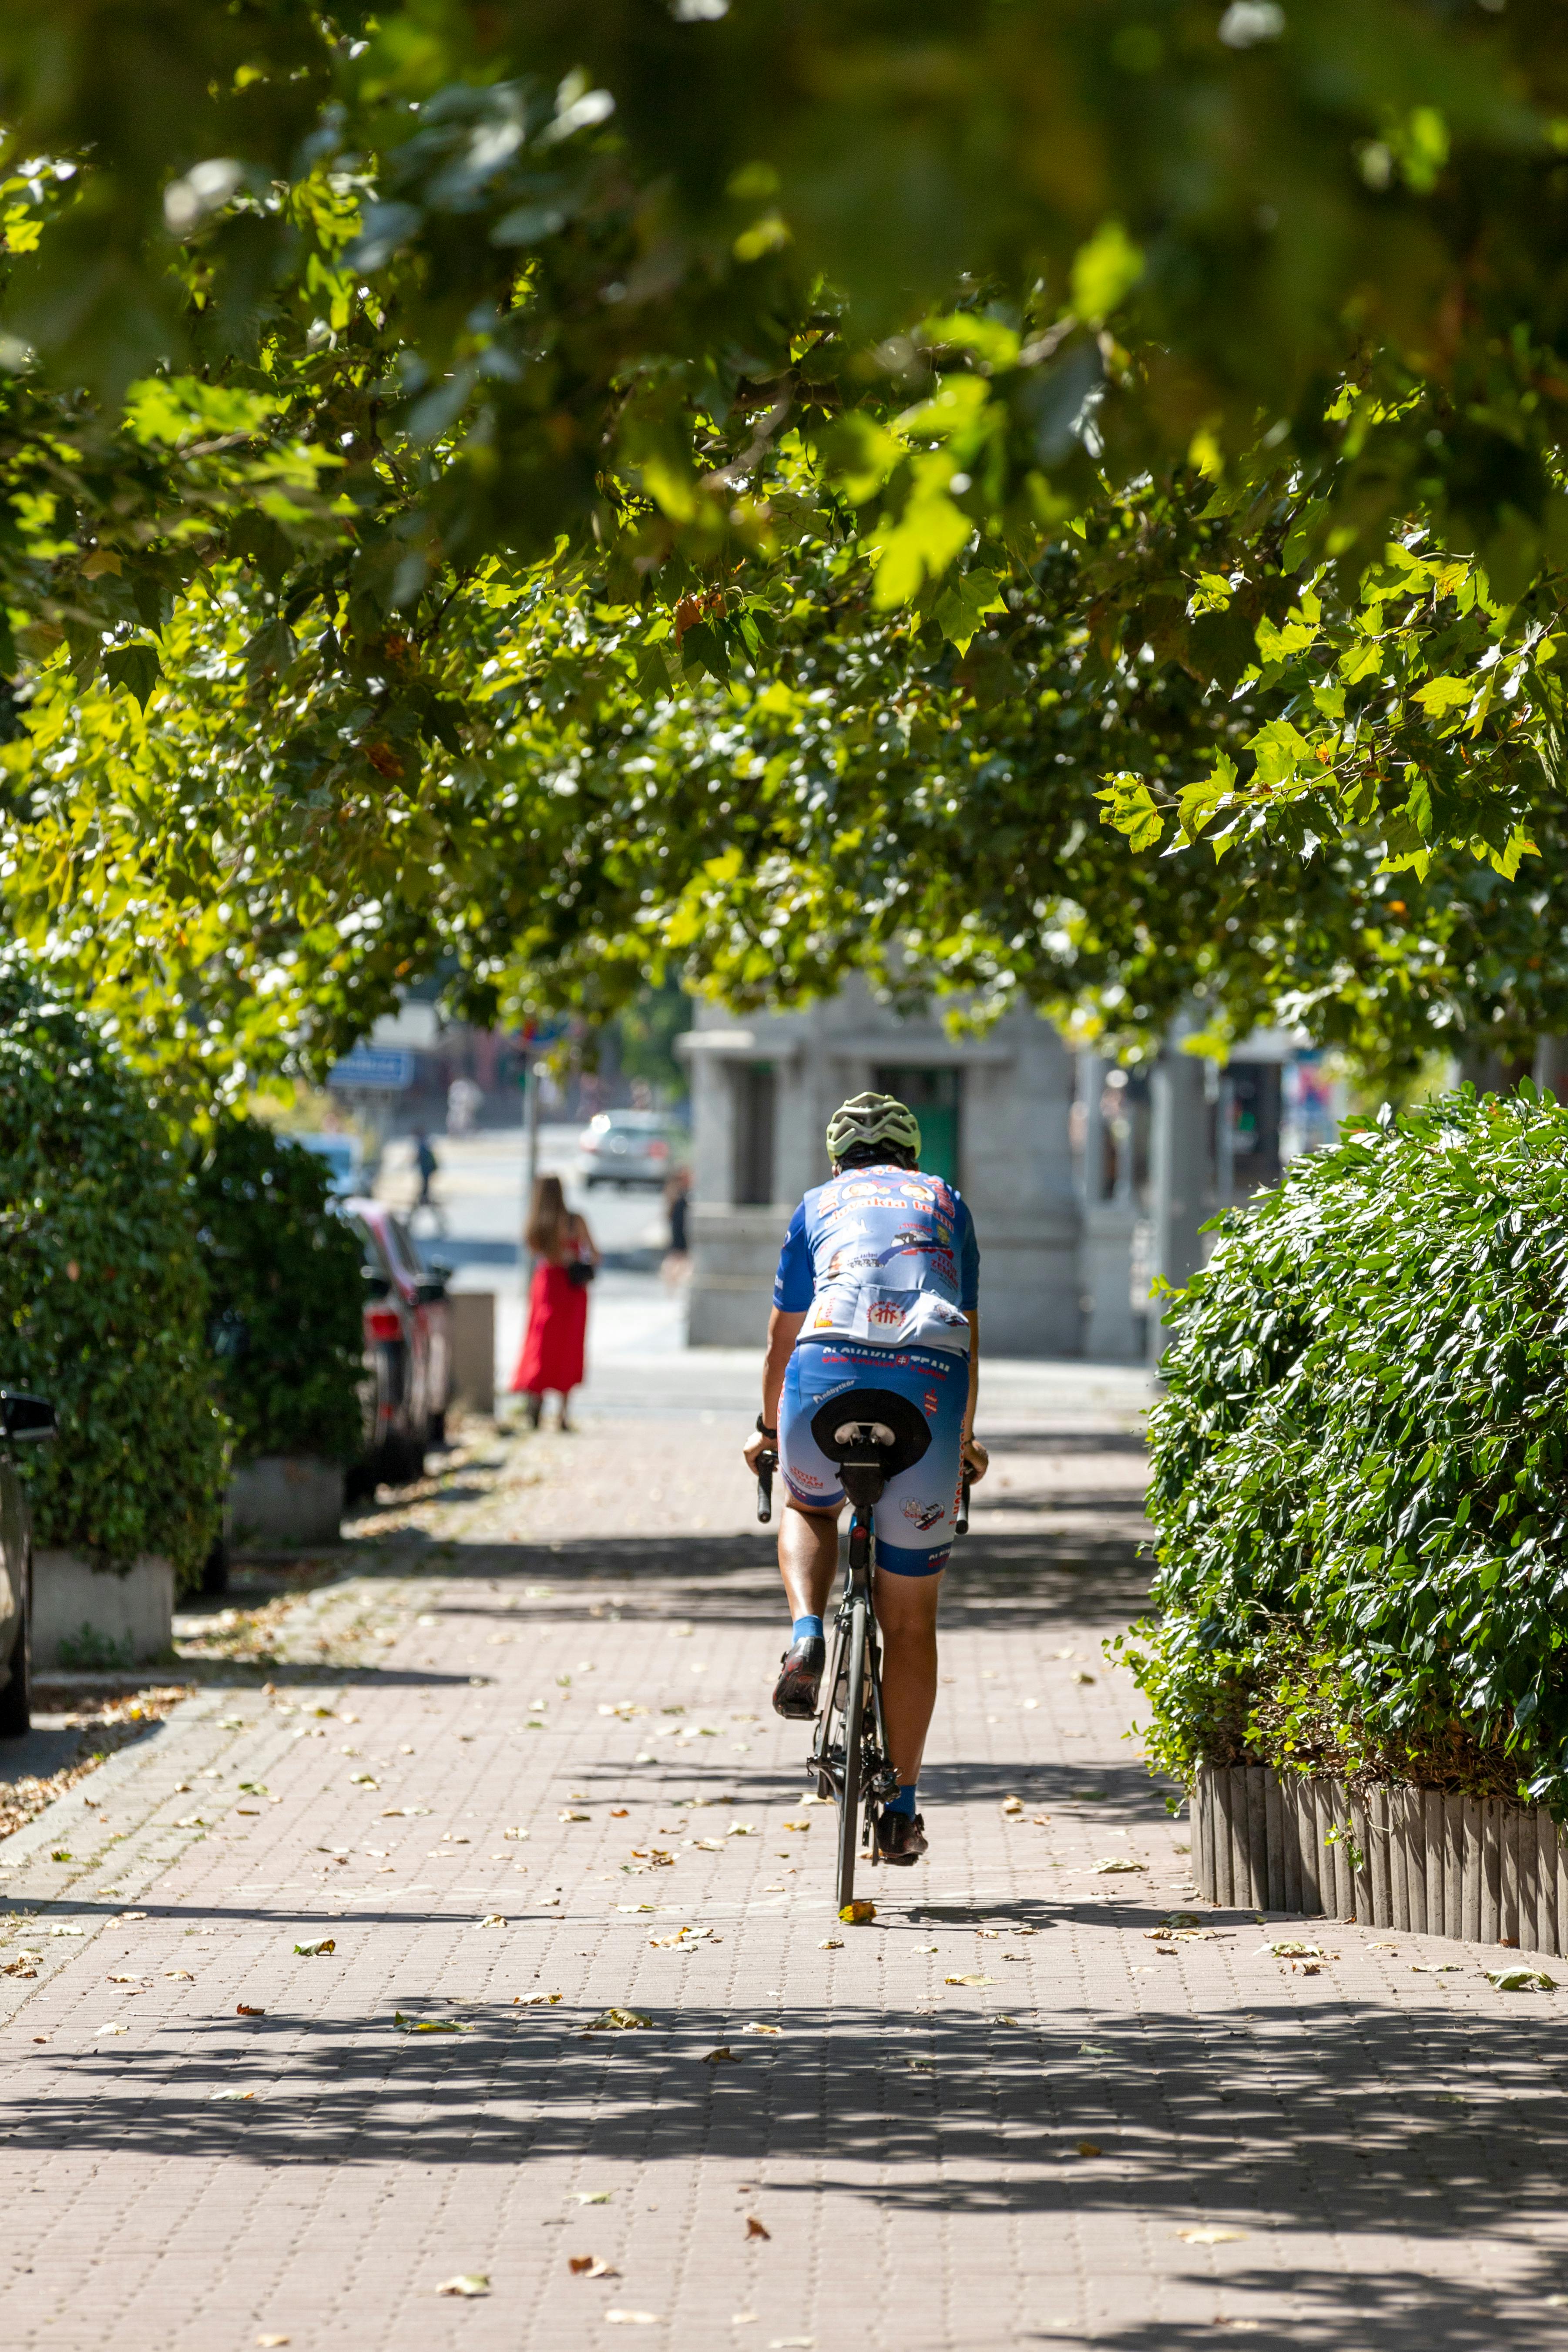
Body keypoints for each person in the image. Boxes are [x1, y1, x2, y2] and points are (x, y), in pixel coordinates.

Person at [742, 1092, 988, 1866]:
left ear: (836, 1159)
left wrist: (764, 1433)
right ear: (909, 1158)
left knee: (808, 1501)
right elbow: (968, 1335)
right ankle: (902, 1808)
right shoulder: (946, 1201)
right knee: (910, 1621)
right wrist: (966, 1440)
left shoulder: (816, 1204)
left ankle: (806, 1633)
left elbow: (782, 1343)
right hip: (927, 1379)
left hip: (824, 1369)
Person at [511, 1174, 599, 1430]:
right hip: (571, 1290)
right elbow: (595, 1254)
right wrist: (572, 1255)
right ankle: (562, 1413)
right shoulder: (575, 1221)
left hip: (549, 1285)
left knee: (542, 1342)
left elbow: (532, 1249)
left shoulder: (537, 1224)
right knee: (568, 1346)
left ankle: (536, 1403)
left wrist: (556, 1253)